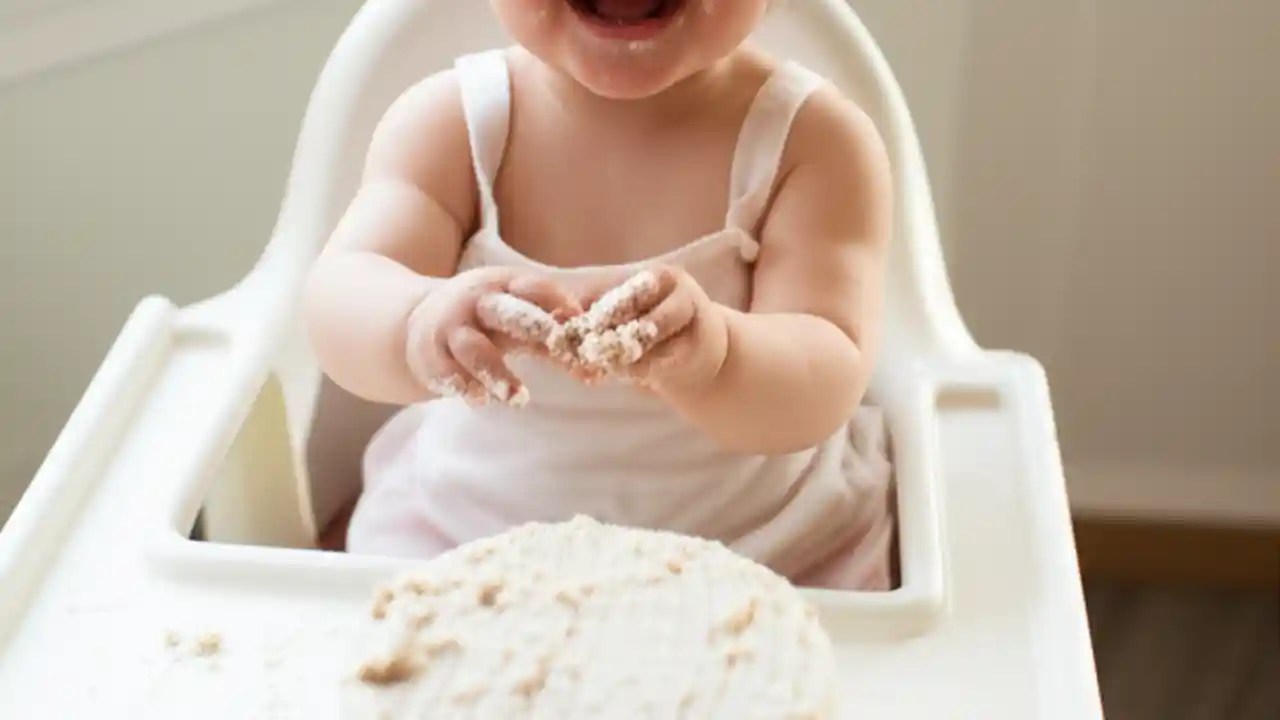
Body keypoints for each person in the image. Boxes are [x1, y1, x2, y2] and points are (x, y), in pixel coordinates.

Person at [304, 0, 895, 589]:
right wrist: (416, 322)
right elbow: (342, 296)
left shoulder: (814, 143)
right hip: (467, 532)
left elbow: (827, 371)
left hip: (763, 546)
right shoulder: (450, 126)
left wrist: (718, 357)